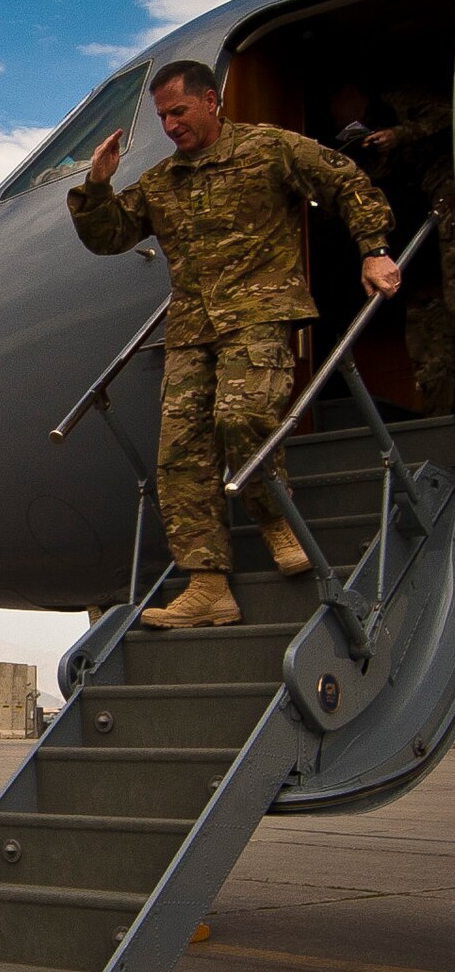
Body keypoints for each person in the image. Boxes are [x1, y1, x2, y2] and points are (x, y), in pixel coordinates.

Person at [69, 60, 399, 629]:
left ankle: (276, 520)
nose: (171, 125)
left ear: (211, 102)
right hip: (192, 331)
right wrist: (98, 185)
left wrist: (373, 247)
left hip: (259, 315)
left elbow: (344, 178)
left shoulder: (268, 149)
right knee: (179, 457)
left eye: (179, 111)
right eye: (163, 117)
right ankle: (208, 585)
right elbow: (110, 236)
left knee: (241, 418)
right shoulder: (161, 182)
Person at [331, 79, 454, 414]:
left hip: (442, 206)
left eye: (335, 106)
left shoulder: (399, 98)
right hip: (416, 264)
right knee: (430, 356)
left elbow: (446, 115)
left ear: (351, 93)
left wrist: (399, 134)